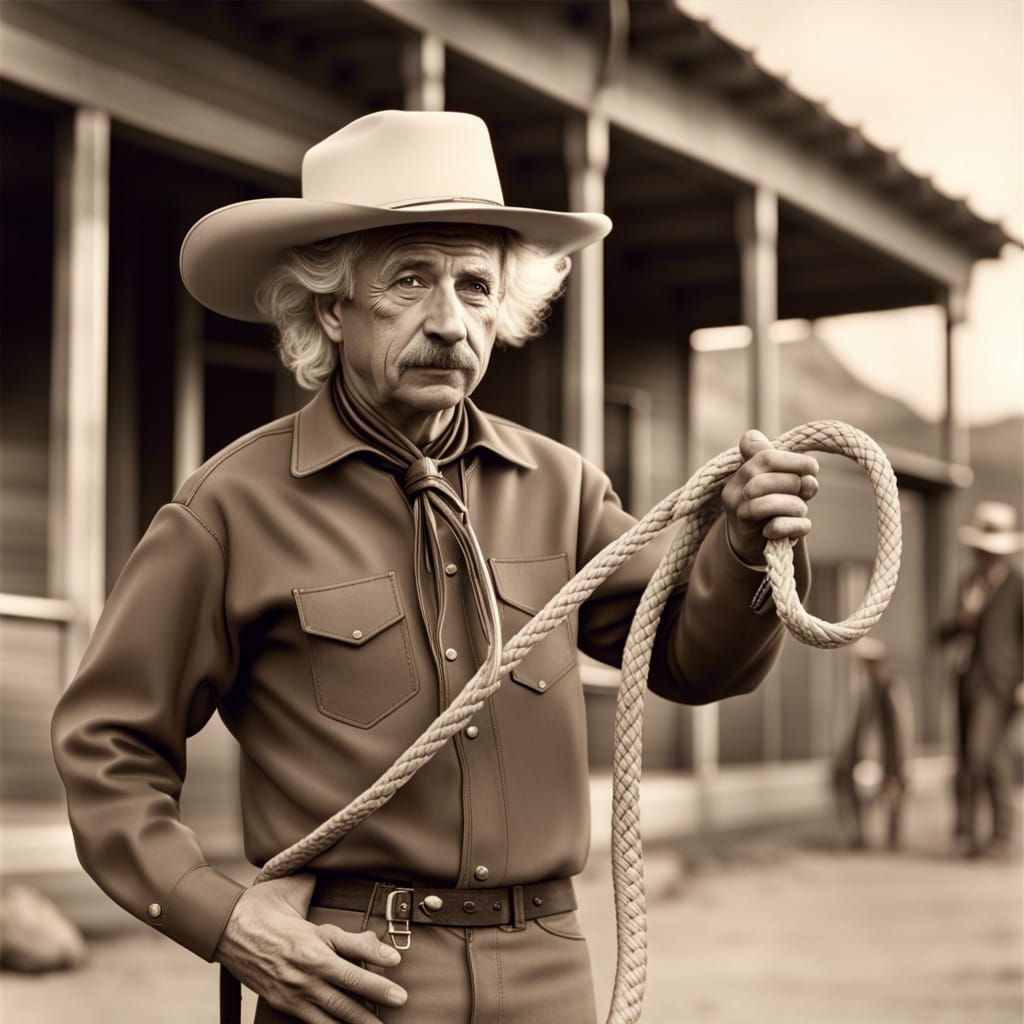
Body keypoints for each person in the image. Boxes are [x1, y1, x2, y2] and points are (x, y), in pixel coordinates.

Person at [51, 110, 817, 1024]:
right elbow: (107, 744)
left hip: (549, 975)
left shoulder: (563, 488)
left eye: (476, 286)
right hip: (347, 979)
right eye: (410, 280)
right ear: (331, 307)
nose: (451, 324)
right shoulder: (230, 507)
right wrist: (224, 921)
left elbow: (694, 659)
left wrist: (744, 547)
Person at [939, 500, 1023, 859]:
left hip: (999, 684)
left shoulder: (1017, 586)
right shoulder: (967, 583)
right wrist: (964, 618)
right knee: (972, 757)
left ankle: (998, 835)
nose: (985, 558)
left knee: (981, 754)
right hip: (965, 680)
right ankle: (969, 833)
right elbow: (941, 633)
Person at [832, 637, 912, 851]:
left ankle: (889, 837)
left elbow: (898, 732)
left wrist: (896, 769)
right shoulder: (871, 688)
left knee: (887, 795)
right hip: (871, 755)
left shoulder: (887, 689)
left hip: (882, 758)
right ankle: (864, 835)